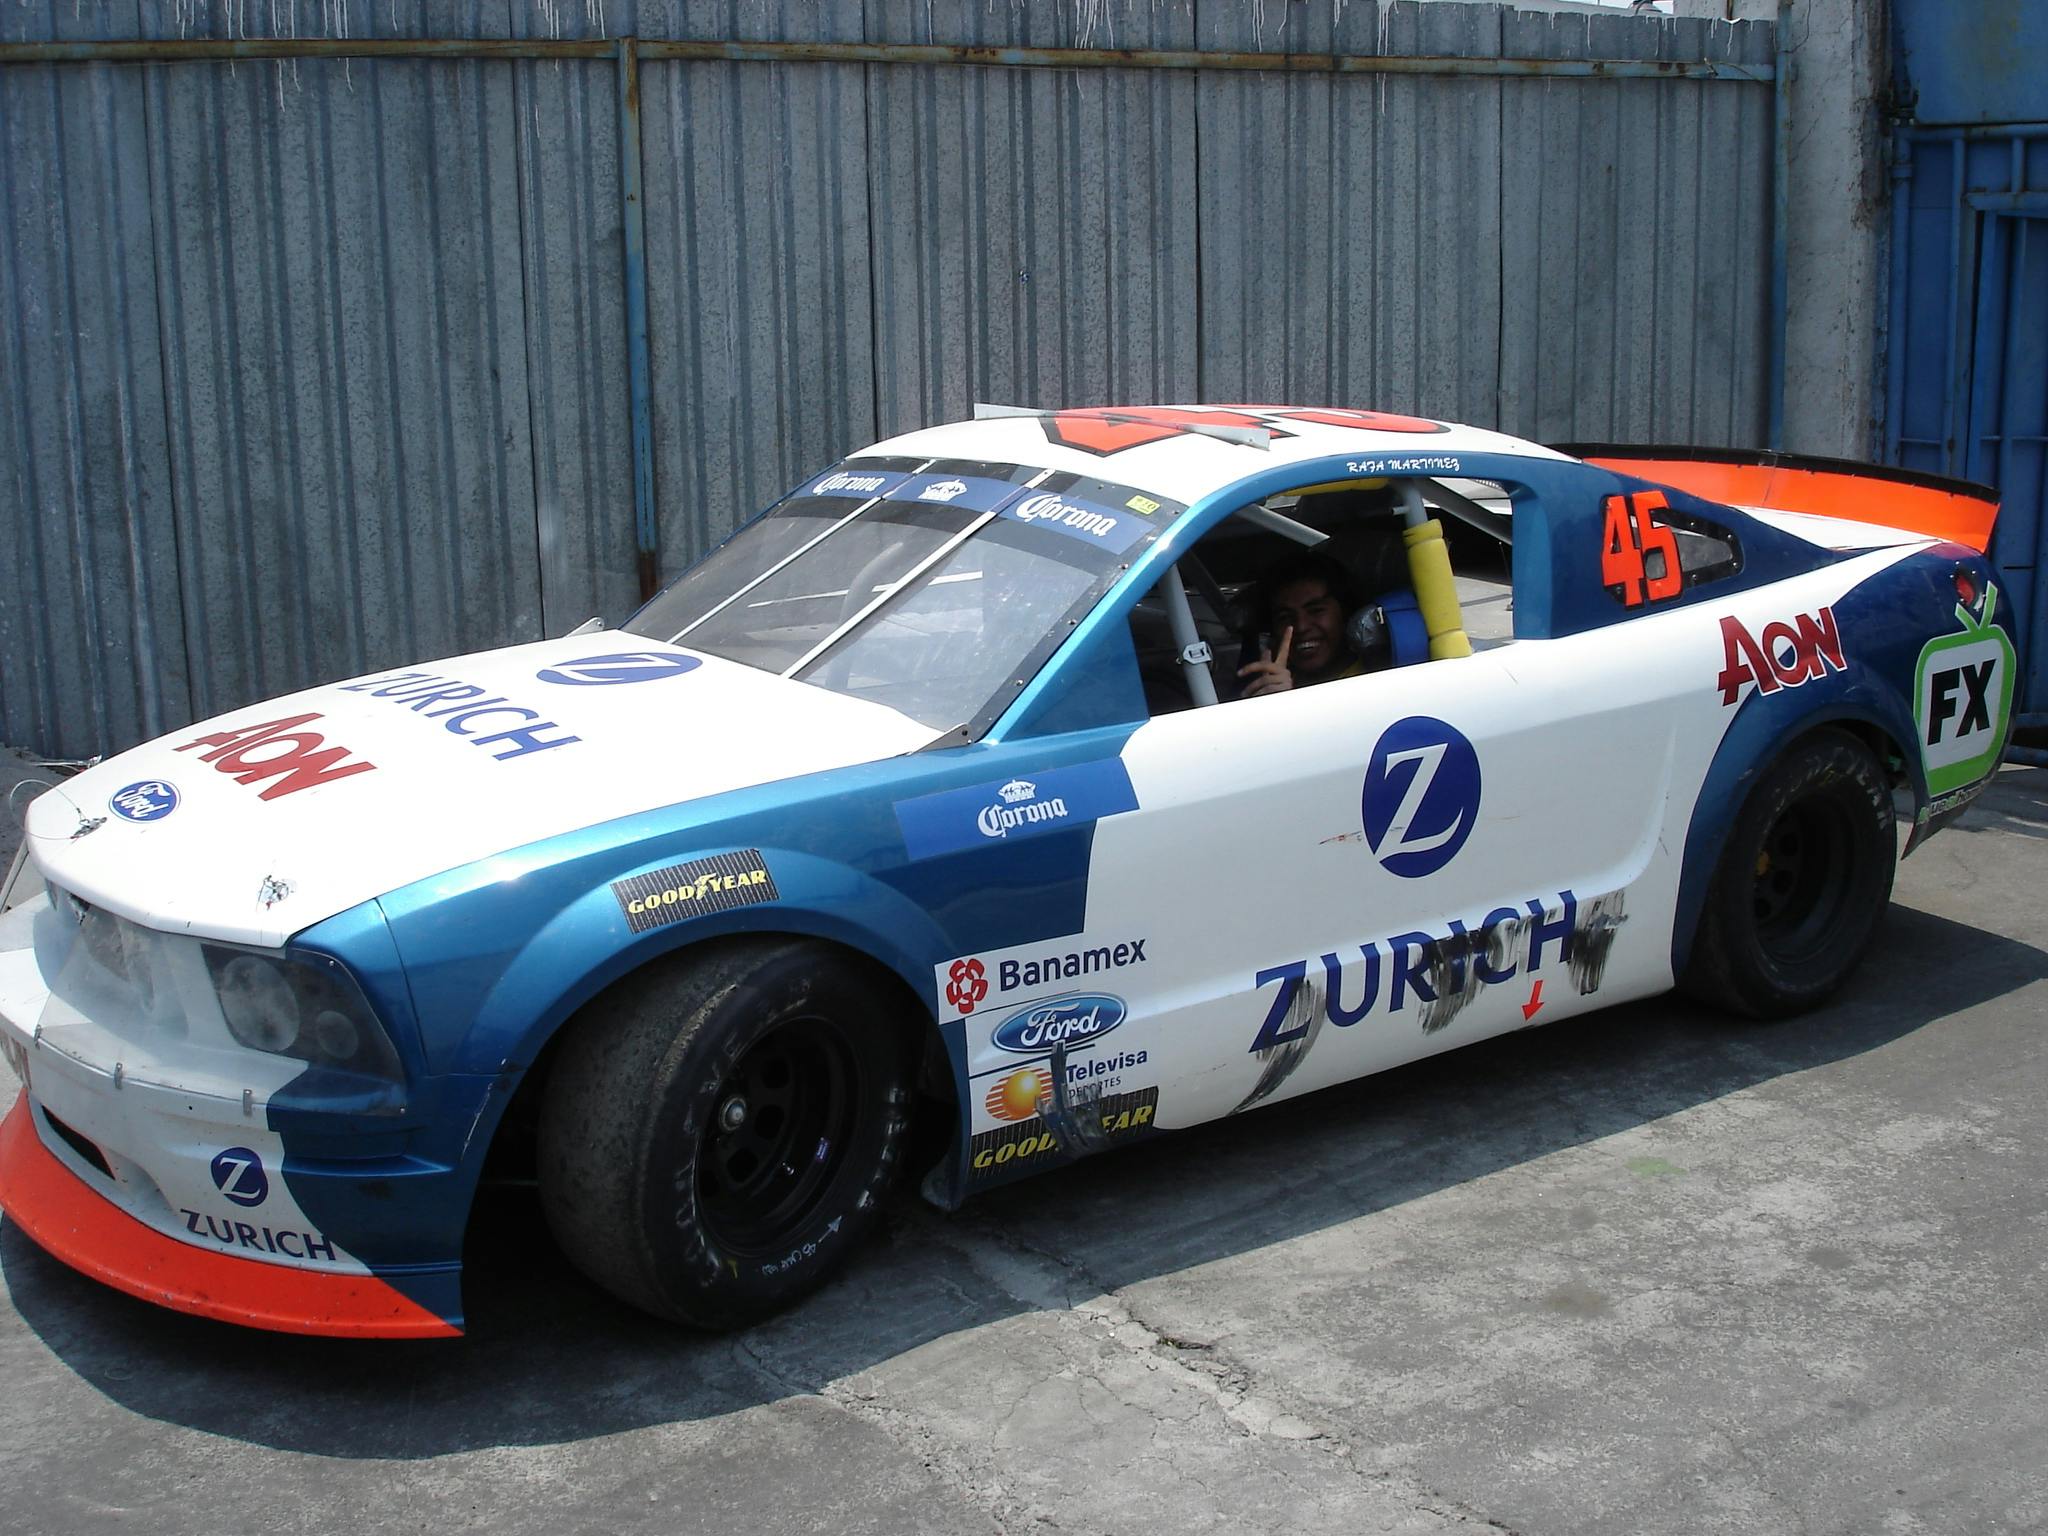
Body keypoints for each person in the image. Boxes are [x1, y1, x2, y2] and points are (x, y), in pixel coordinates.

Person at [1235, 549, 1368, 696]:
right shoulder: (1276, 682)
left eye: (1316, 611)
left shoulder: (1369, 684)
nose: (1301, 627)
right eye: (1285, 617)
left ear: (1345, 613)